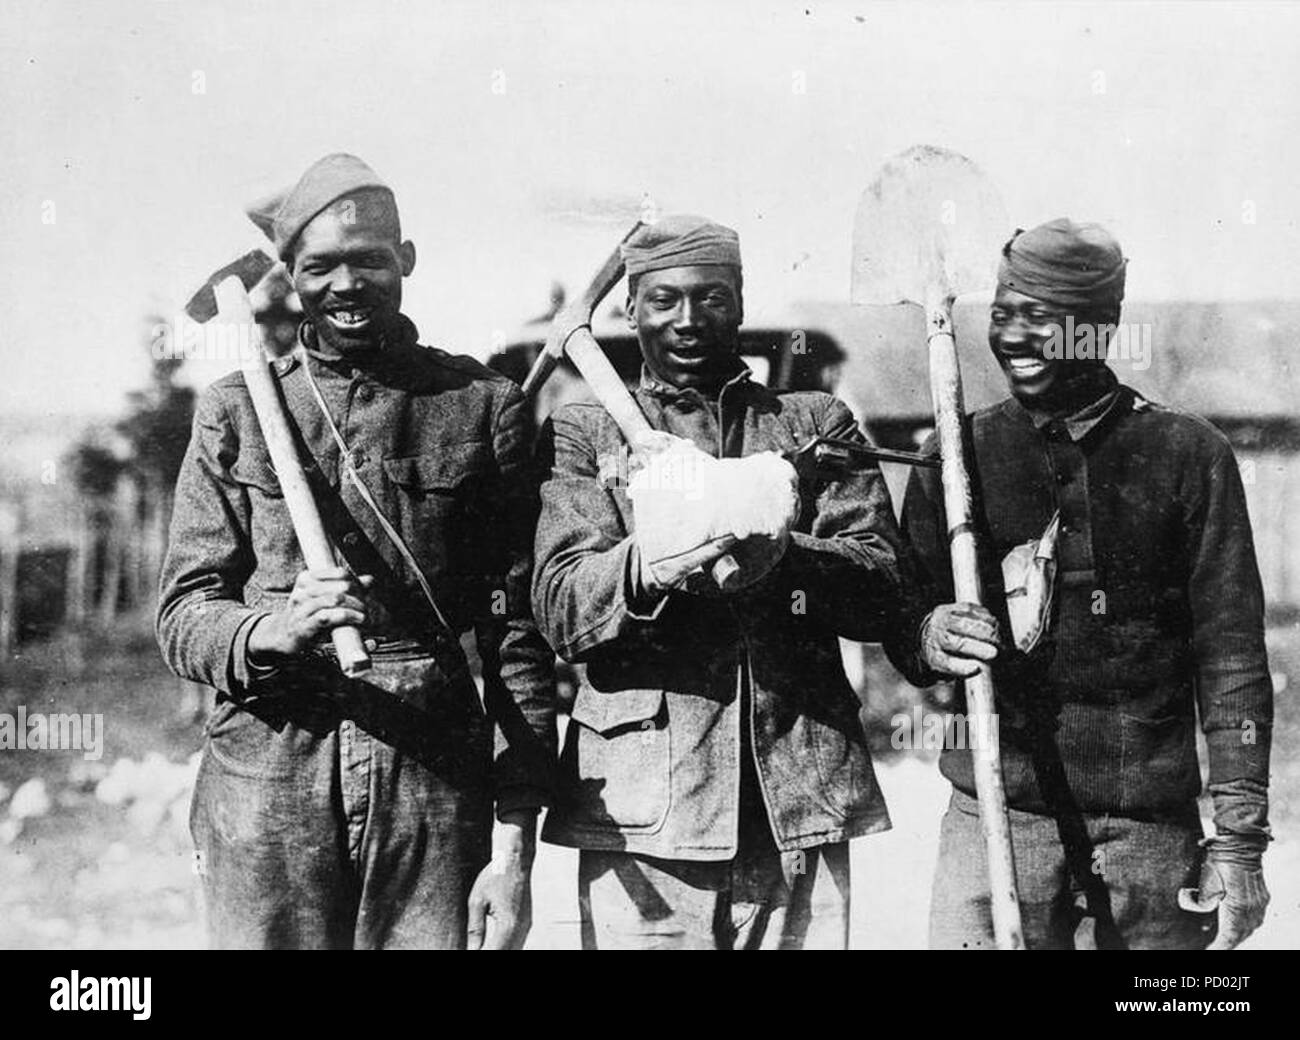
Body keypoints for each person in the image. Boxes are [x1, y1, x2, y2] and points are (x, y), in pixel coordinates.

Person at [157, 153, 555, 949]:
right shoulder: (235, 410)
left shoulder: (480, 408)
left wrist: (513, 846)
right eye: (320, 267)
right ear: (289, 278)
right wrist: (270, 631)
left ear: (405, 260)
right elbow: (182, 613)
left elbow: (518, 636)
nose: (346, 285)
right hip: (267, 768)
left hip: (433, 779)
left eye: (369, 259)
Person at [532, 214, 918, 949]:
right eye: (664, 300)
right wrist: (652, 565)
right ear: (630, 308)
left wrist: (784, 550)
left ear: (738, 303)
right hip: (644, 816)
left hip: (799, 795)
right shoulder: (588, 433)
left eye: (710, 298)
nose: (687, 321)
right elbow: (561, 605)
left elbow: (881, 585)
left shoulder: (814, 423)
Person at [886, 218, 1272, 950]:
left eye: (1046, 319)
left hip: (1149, 841)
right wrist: (929, 635)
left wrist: (1240, 844)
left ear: (1100, 328)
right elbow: (905, 621)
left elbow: (1233, 660)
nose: (1016, 337)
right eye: (1004, 314)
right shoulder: (957, 454)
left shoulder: (1188, 456)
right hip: (996, 820)